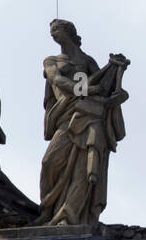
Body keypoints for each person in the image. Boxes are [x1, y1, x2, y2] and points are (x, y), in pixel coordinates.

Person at [37, 19, 129, 226]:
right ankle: (48, 210)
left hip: (87, 116)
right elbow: (58, 81)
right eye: (51, 31)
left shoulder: (87, 61)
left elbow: (104, 85)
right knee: (49, 162)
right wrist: (88, 89)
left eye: (56, 30)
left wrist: (116, 72)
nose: (52, 34)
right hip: (65, 115)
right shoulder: (51, 60)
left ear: (68, 32)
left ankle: (68, 215)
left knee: (83, 167)